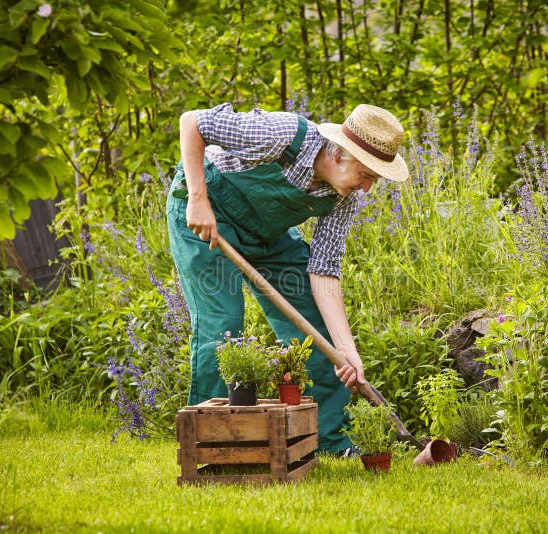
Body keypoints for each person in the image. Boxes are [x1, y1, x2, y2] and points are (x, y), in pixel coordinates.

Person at [166, 102, 409, 453]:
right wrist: (198, 199)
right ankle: (212, 441)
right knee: (223, 326)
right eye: (367, 175)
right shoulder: (282, 135)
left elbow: (324, 271)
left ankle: (325, 439)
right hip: (206, 215)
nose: (367, 188)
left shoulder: (343, 200)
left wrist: (346, 349)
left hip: (267, 234)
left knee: (316, 330)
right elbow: (192, 121)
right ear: (341, 155)